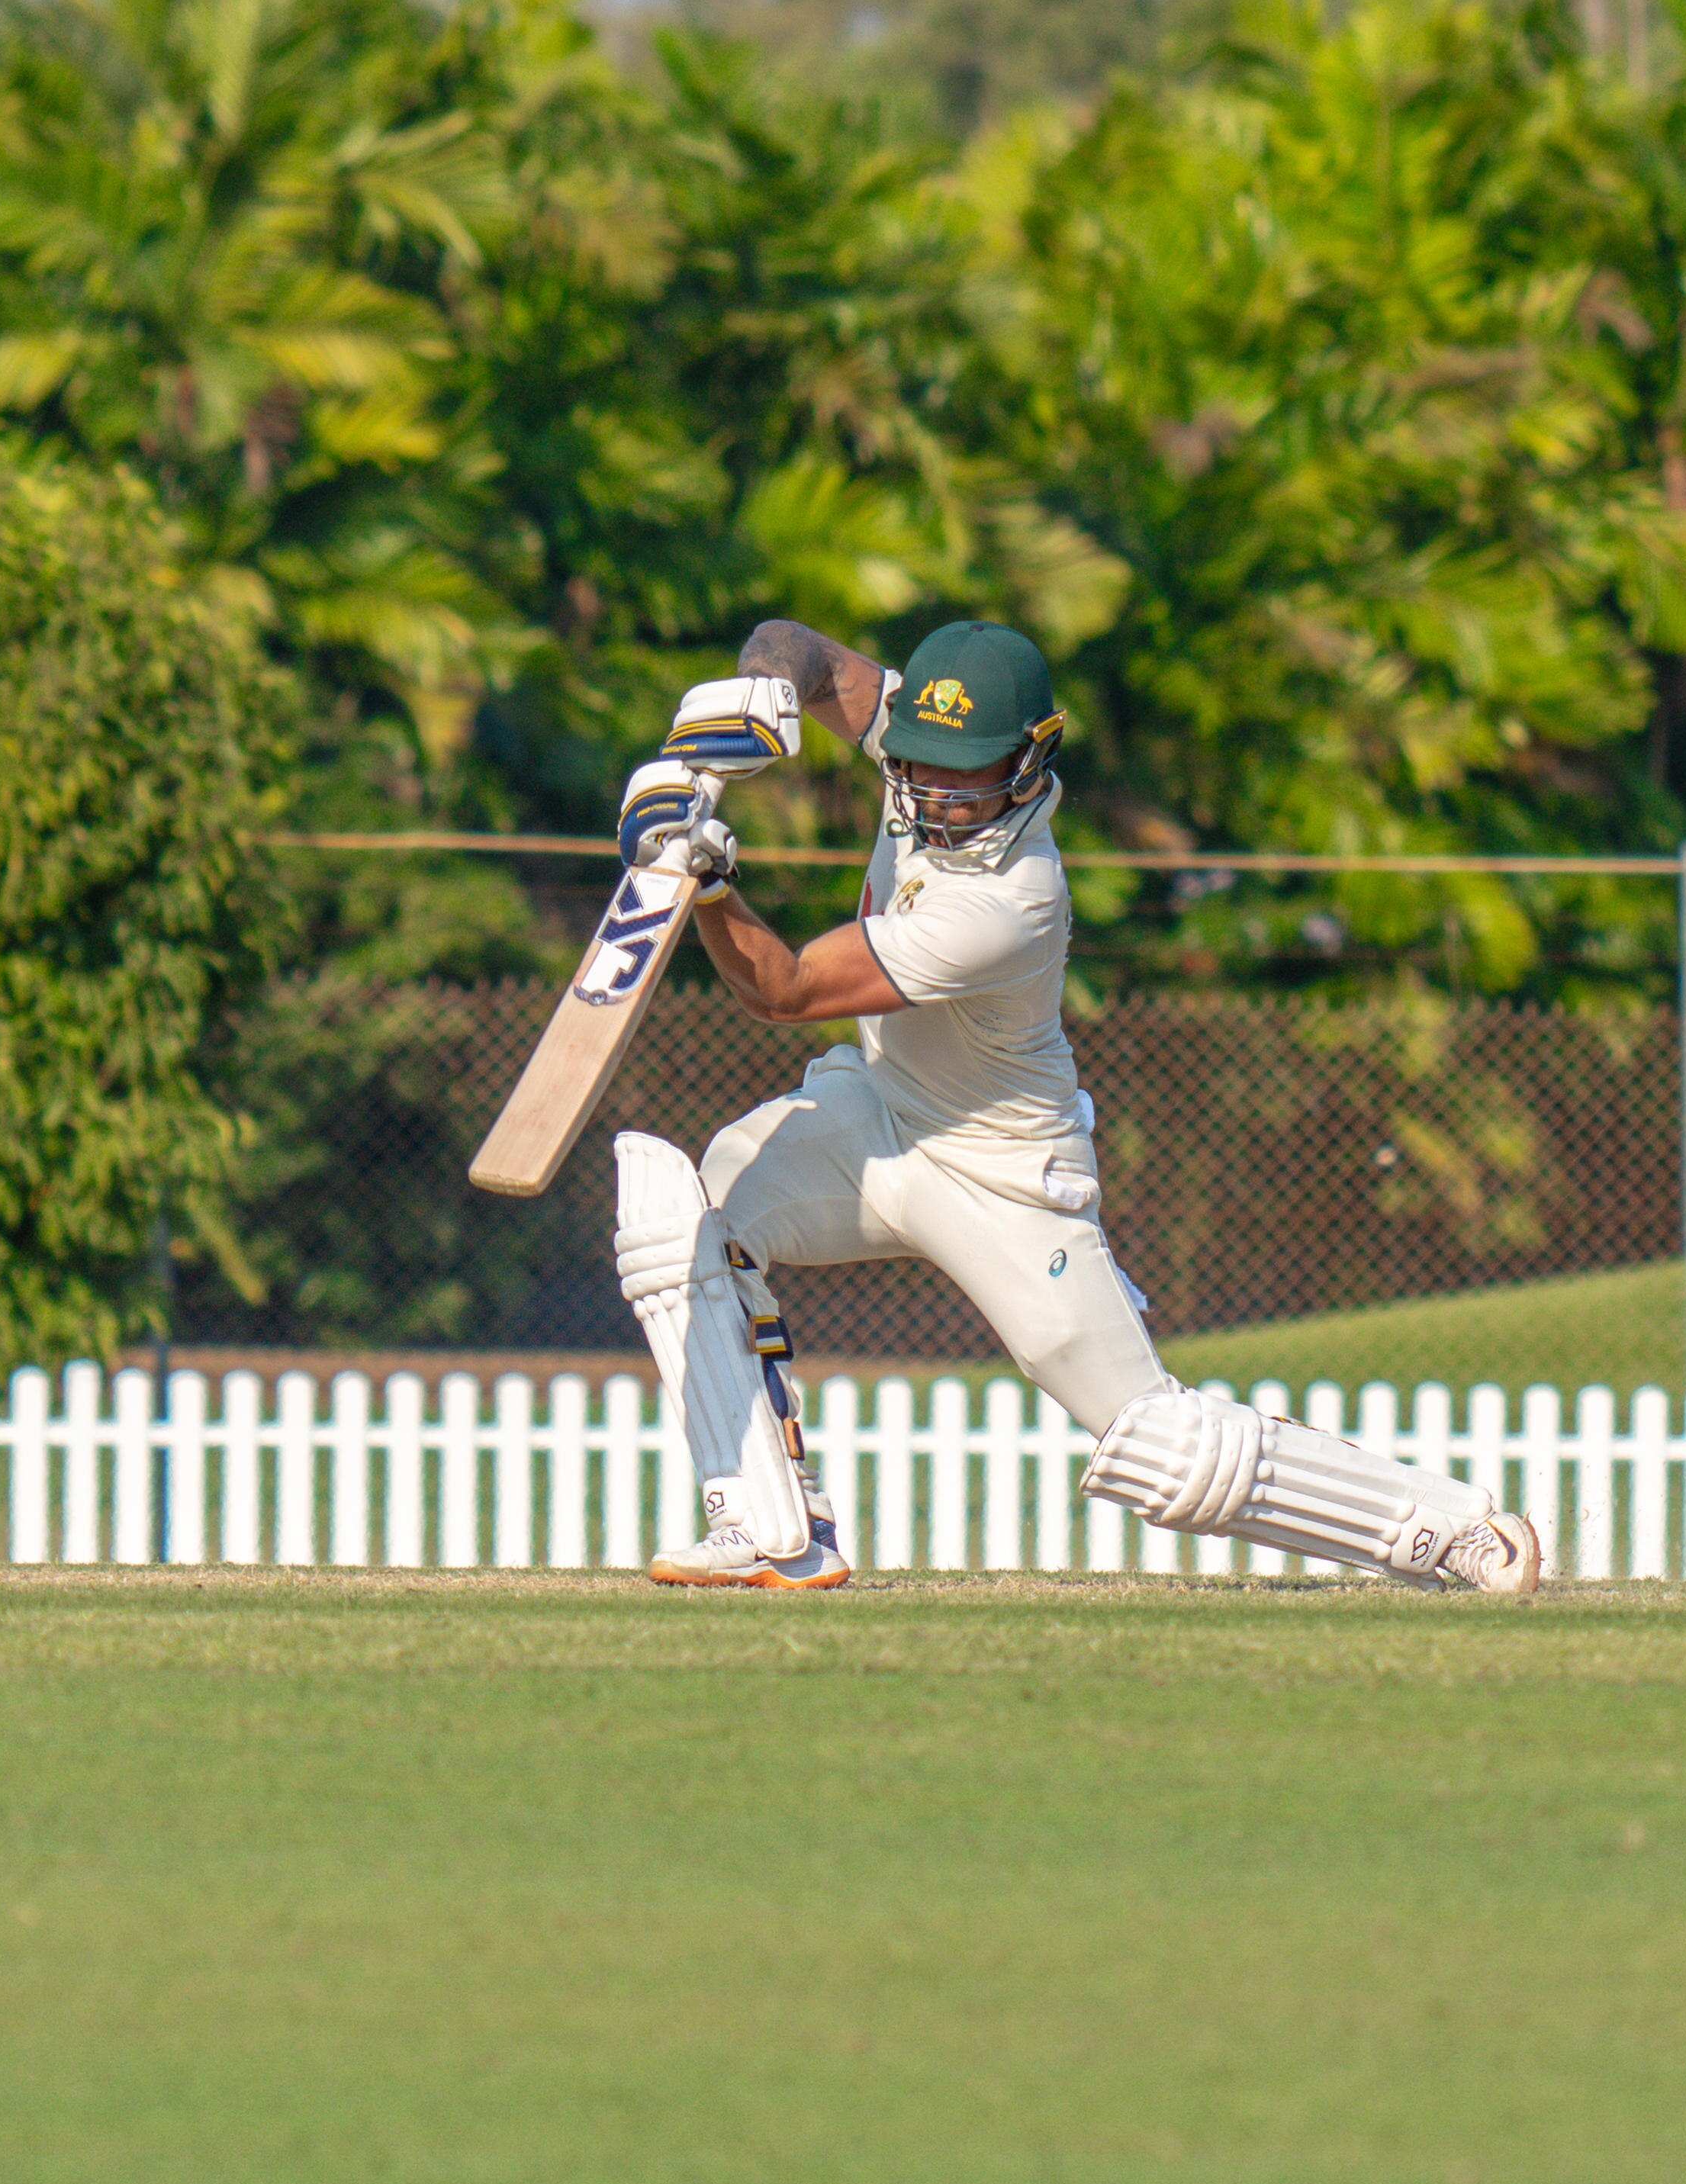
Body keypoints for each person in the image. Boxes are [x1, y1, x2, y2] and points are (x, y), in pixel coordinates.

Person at [603, 616, 1545, 1597]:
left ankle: (1457, 1531)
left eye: (968, 773)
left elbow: (785, 989)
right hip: (878, 1116)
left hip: (1004, 1175)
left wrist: (700, 878)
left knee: (1160, 1448)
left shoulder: (1014, 900)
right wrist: (750, 704)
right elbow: (791, 643)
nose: (939, 793)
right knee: (694, 1223)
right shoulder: (919, 751)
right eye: (922, 764)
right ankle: (771, 1529)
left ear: (1029, 754)